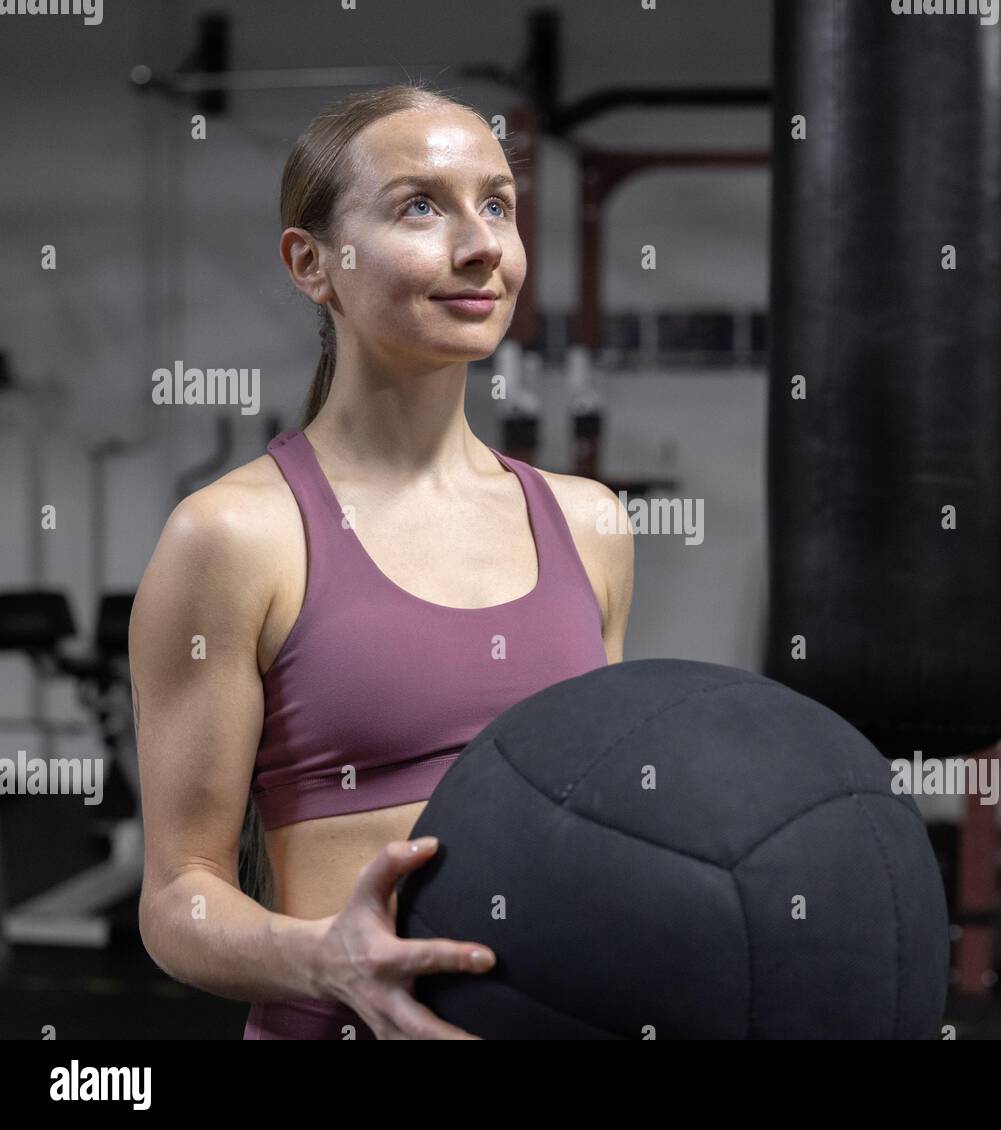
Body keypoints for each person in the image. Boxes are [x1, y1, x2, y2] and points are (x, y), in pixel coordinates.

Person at [129, 84, 634, 1040]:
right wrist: (325, 962)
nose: (482, 243)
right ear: (311, 263)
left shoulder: (590, 523)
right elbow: (177, 899)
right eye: (419, 206)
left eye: (497, 203)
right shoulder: (234, 536)